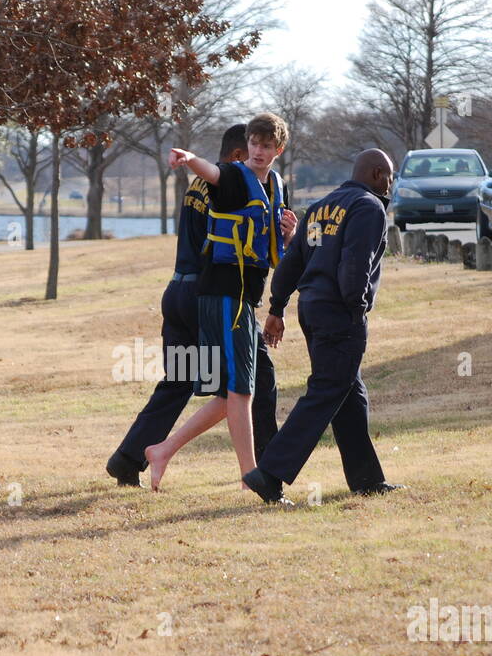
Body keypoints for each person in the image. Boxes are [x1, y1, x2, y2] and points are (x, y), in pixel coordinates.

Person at [106, 124, 280, 487]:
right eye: (250, 149)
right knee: (253, 380)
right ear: (238, 155)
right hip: (209, 295)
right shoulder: (229, 186)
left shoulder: (196, 188)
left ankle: (129, 457)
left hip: (178, 292)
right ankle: (265, 466)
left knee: (181, 381)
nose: (254, 156)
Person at [144, 113, 298, 491]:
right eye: (253, 144)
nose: (258, 152)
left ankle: (161, 450)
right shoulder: (232, 177)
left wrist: (289, 234)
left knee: (231, 392)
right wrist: (187, 157)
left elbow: (276, 249)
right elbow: (210, 172)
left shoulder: (276, 185)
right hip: (222, 296)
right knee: (243, 389)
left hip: (245, 298)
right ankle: (251, 476)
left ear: (278, 150)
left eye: (266, 146)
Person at [243, 149, 404, 504]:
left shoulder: (319, 207)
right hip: (339, 312)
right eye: (390, 178)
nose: (390, 186)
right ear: (378, 174)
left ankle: (367, 480)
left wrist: (277, 306)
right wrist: (356, 307)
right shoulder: (368, 207)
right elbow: (355, 263)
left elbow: (292, 261)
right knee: (326, 391)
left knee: (349, 393)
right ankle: (269, 473)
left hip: (312, 309)